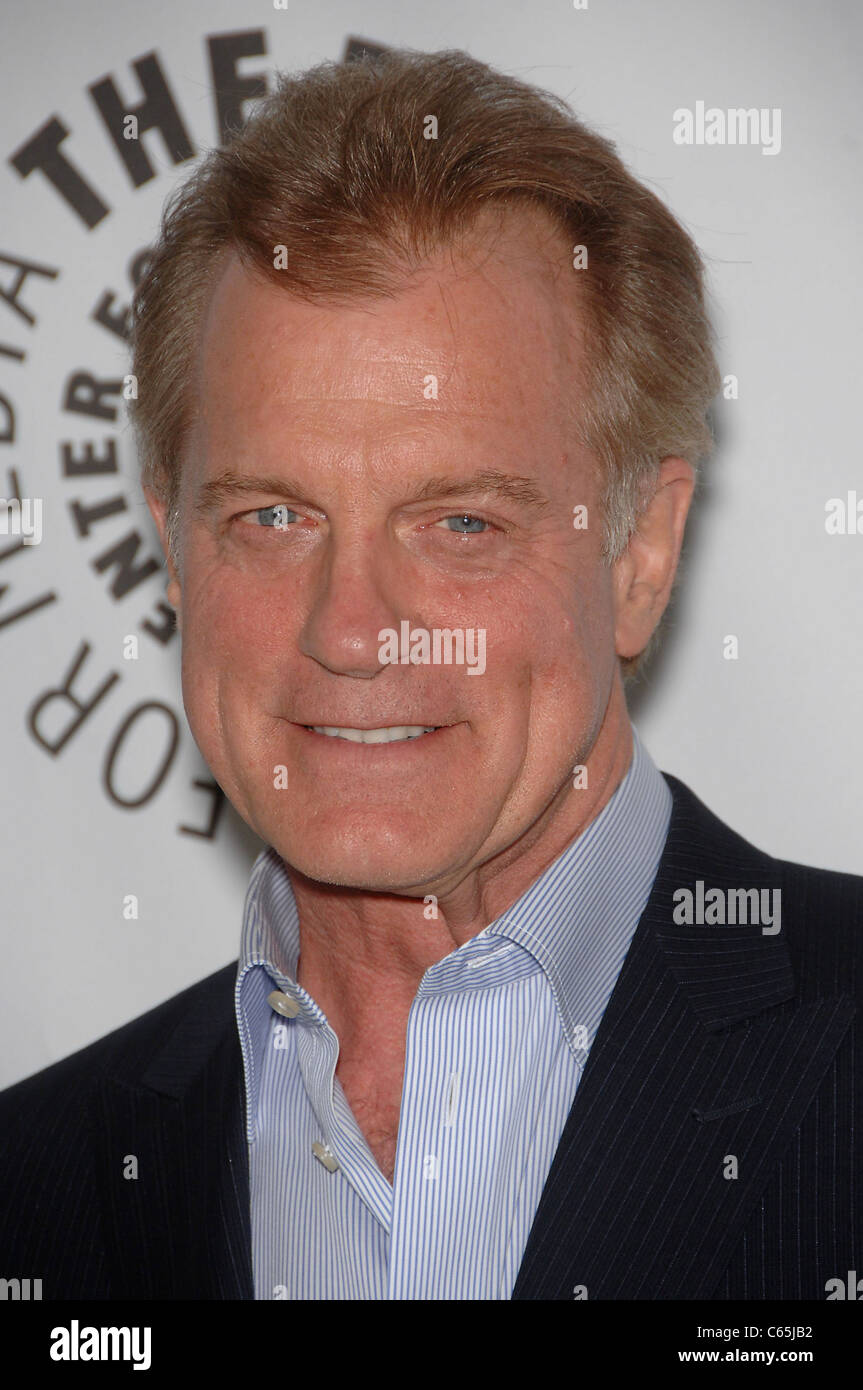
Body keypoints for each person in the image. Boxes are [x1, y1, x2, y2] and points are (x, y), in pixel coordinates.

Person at [0, 47, 859, 1302]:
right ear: (170, 546)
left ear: (639, 551)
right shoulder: (33, 1190)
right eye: (271, 517)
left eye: (459, 523)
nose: (353, 632)